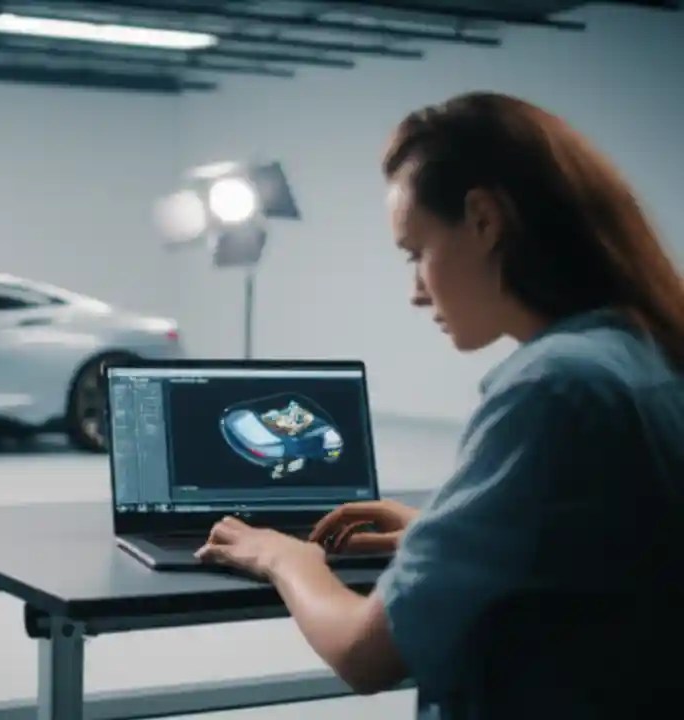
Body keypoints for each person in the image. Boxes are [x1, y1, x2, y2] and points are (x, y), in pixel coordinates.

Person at [193, 91, 684, 718]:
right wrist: (438, 532)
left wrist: (285, 556)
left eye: (416, 253)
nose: (416, 293)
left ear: (483, 219)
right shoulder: (650, 351)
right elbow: (602, 559)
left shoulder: (552, 388)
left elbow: (363, 653)